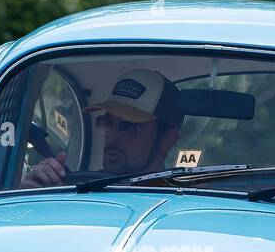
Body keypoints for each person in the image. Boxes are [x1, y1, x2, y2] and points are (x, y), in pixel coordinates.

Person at [20, 69, 184, 187]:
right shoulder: (74, 187)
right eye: (107, 122)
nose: (113, 135)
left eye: (129, 126)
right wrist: (31, 192)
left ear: (167, 139)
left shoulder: (185, 203)